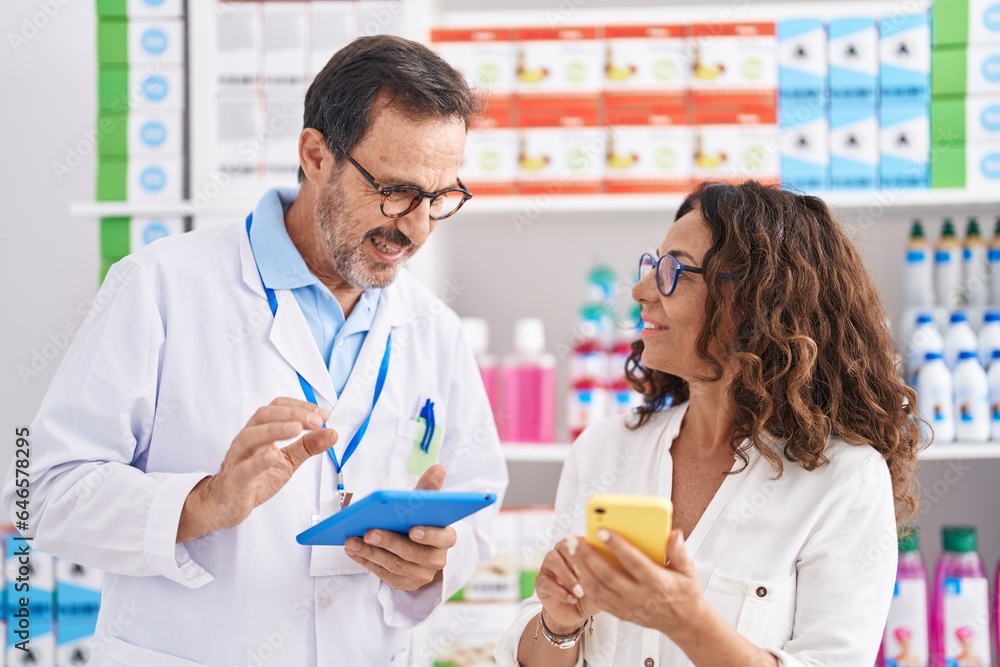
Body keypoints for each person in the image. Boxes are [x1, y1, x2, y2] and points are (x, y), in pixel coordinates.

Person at [4, 35, 508, 666]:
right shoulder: (162, 285)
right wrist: (201, 503)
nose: (416, 226)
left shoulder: (434, 329)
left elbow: (479, 504)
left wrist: (432, 562)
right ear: (316, 154)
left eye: (439, 198)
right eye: (398, 191)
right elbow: (42, 494)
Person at [496, 181, 921, 667]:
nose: (640, 291)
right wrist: (558, 622)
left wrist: (688, 622)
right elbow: (532, 653)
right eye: (652, 266)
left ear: (758, 303)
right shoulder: (605, 449)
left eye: (673, 271)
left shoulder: (844, 479)